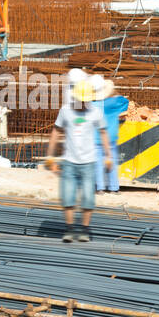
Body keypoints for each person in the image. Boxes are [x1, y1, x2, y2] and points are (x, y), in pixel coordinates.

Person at [46, 78, 113, 242]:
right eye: (81, 100)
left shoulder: (95, 112)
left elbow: (103, 132)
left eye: (86, 101)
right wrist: (50, 155)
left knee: (88, 199)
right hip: (69, 162)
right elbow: (56, 131)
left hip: (89, 162)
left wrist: (108, 155)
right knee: (68, 197)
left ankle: (84, 230)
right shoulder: (65, 111)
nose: (83, 103)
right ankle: (69, 229)